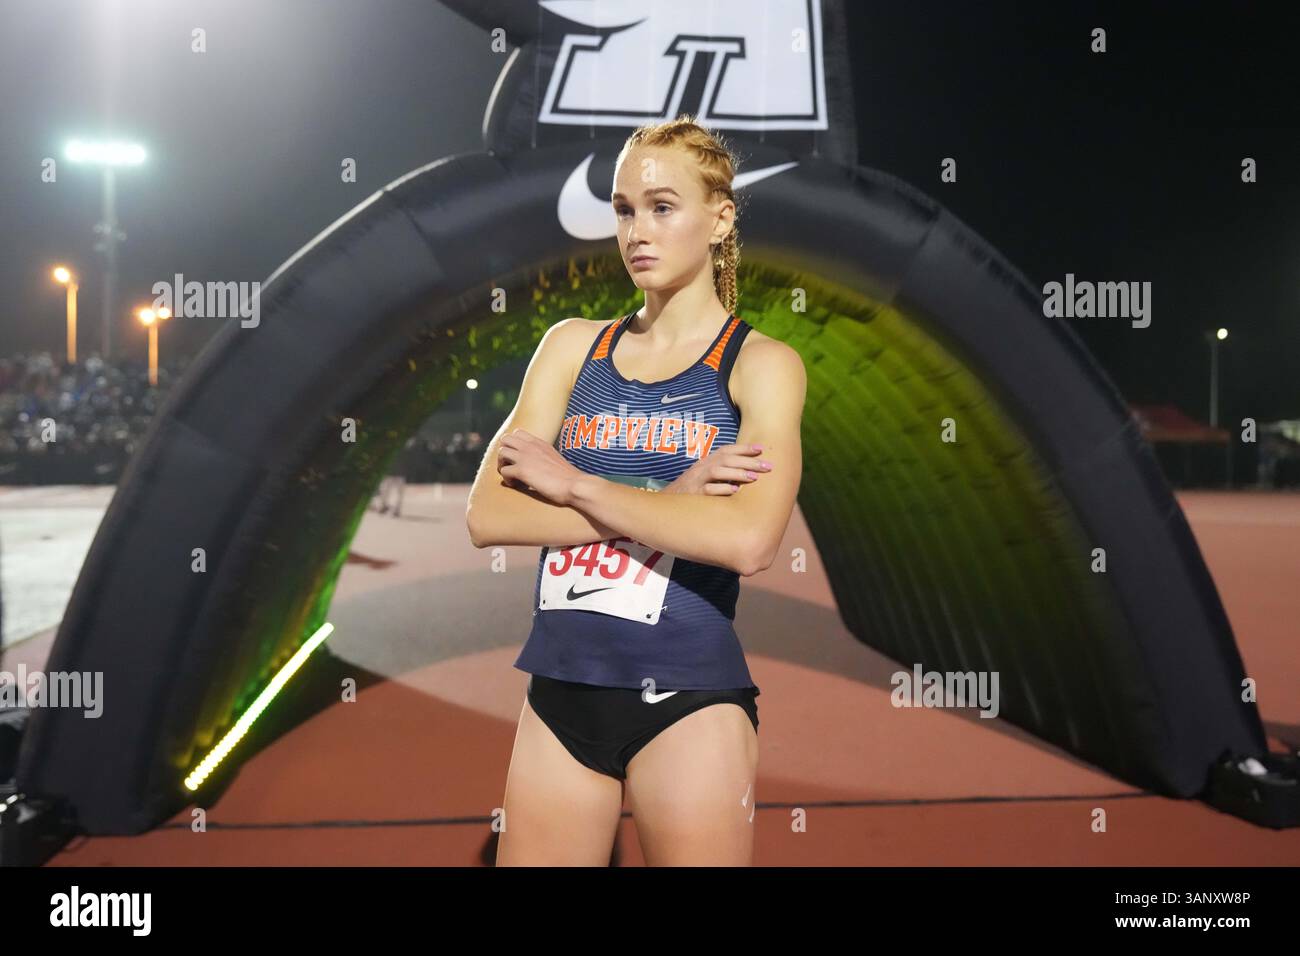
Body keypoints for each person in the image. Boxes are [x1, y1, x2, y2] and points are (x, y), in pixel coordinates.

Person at [466, 114, 805, 865]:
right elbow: (488, 514)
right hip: (559, 689)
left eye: (662, 207)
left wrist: (574, 484)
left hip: (688, 698)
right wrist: (673, 497)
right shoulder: (571, 346)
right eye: (623, 209)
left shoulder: (761, 365)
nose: (636, 231)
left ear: (720, 219)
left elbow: (749, 540)